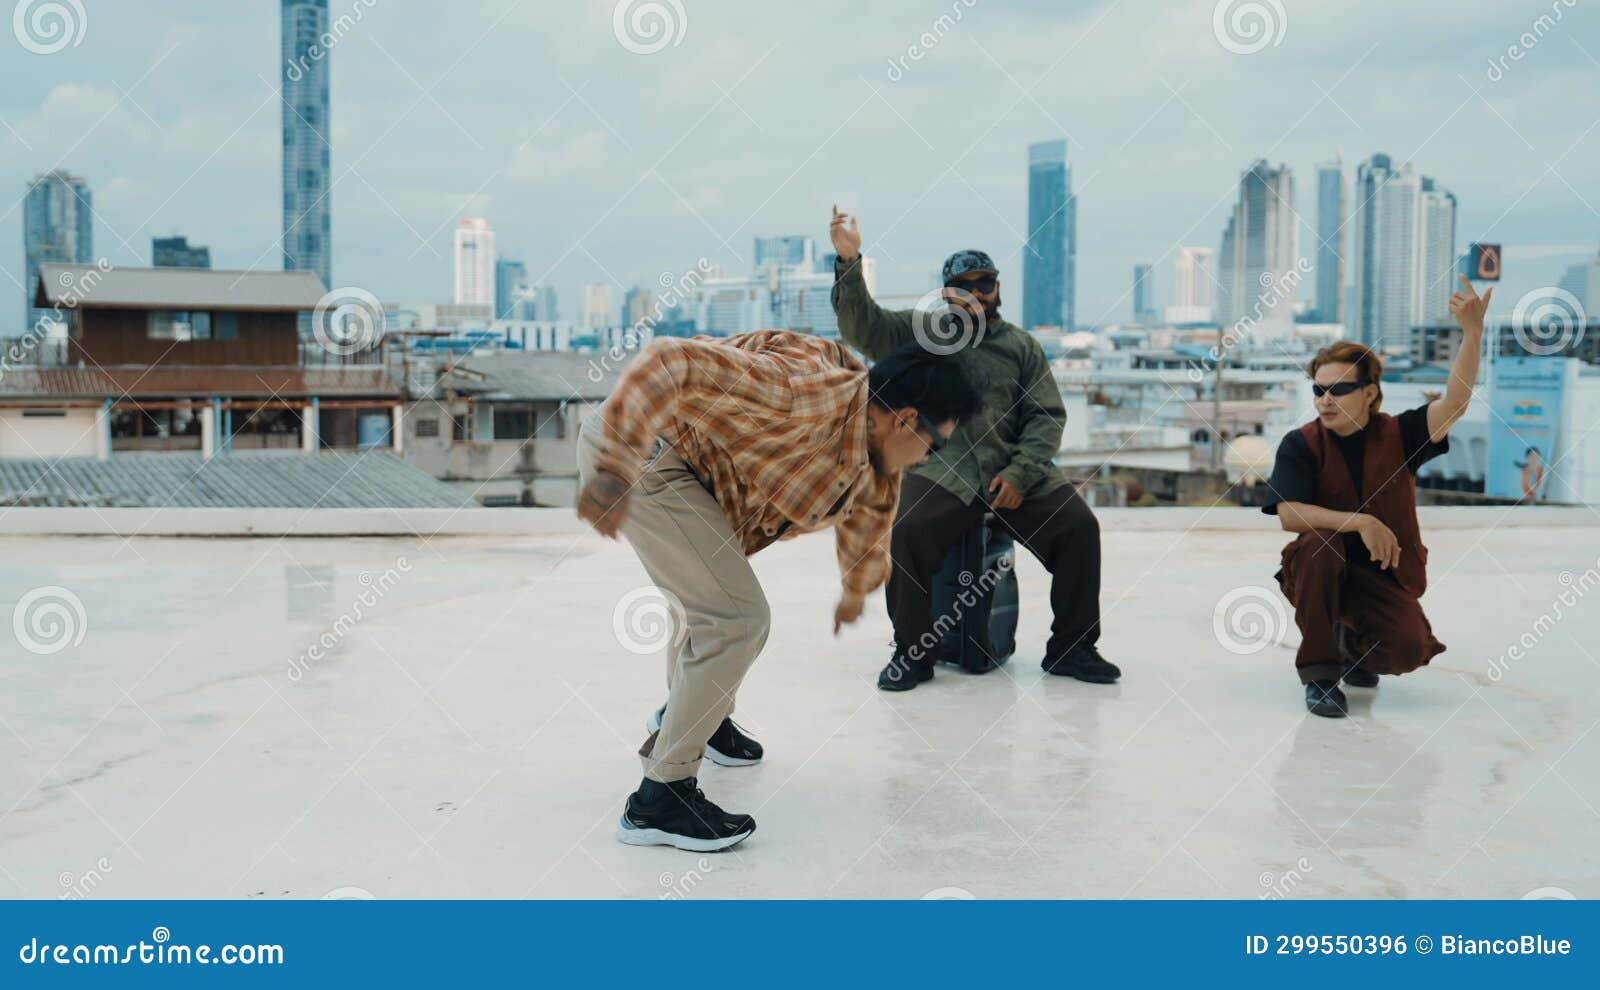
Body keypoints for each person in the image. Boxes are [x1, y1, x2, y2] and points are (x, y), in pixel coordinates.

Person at [576, 330, 983, 850]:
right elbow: (669, 360)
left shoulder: (876, 450)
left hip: (696, 471)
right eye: (937, 441)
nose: (931, 456)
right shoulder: (798, 396)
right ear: (903, 419)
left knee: (713, 599)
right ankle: (660, 798)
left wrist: (855, 591)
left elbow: (872, 514)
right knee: (736, 618)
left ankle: (698, 716)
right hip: (642, 455)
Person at [828, 205, 1120, 691]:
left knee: (1079, 528)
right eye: (963, 286)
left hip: (1015, 472)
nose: (976, 293)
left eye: (985, 283)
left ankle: (1072, 647)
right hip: (942, 470)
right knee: (907, 532)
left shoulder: (1022, 347)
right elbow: (864, 328)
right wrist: (849, 262)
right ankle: (912, 652)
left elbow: (1046, 416)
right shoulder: (922, 336)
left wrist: (1023, 473)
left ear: (998, 288)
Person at [1262, 275, 1492, 717]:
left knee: (1406, 650)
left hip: (1381, 576)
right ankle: (1322, 678)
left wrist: (1472, 334)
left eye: (1339, 390)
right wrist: (1361, 522)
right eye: (1318, 390)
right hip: (1318, 570)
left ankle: (1353, 647)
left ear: (1369, 393)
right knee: (1318, 547)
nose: (1325, 401)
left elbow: (1456, 404)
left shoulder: (1401, 433)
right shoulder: (1300, 443)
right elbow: (1290, 515)